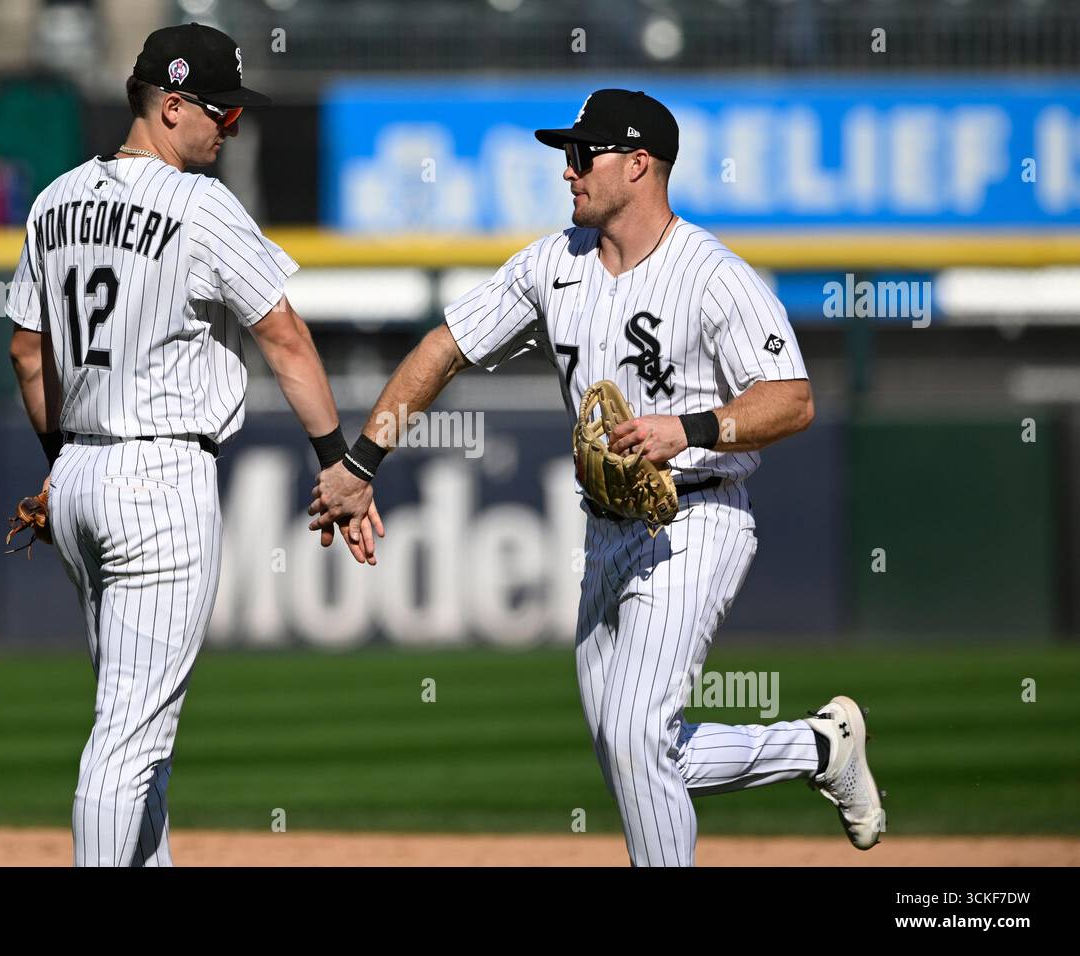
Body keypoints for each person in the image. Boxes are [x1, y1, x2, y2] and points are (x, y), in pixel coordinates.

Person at [309, 89, 884, 866]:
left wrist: (688, 428)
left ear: (638, 164)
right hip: (604, 529)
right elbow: (443, 347)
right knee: (636, 751)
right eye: (566, 155)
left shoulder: (712, 275)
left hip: (695, 516)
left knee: (638, 732)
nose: (568, 171)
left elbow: (794, 399)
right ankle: (820, 748)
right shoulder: (554, 266)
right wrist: (359, 462)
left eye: (583, 155)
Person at [7, 23, 380, 866]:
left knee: (138, 725)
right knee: (129, 738)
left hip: (77, 475)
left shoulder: (54, 198)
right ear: (171, 107)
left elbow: (27, 354)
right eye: (223, 112)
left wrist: (58, 465)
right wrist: (340, 467)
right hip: (160, 475)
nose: (233, 128)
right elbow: (285, 339)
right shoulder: (201, 206)